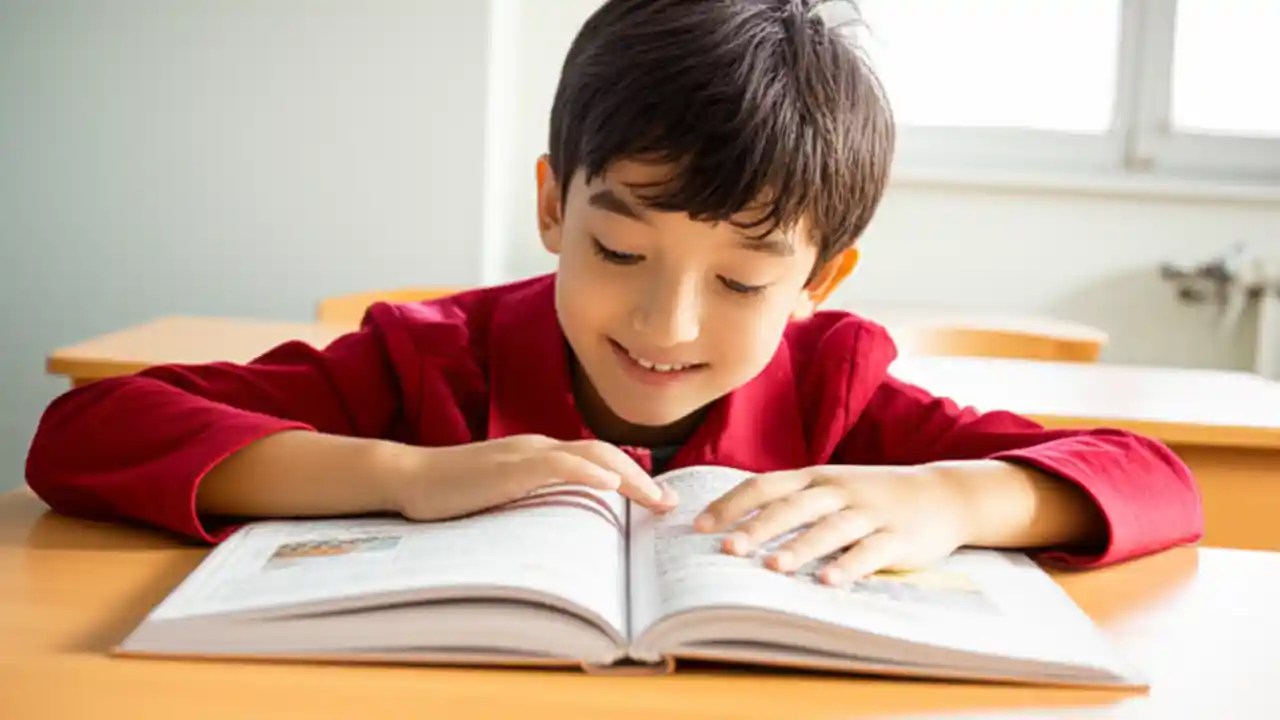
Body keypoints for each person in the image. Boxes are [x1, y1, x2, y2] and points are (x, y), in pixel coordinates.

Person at [25, 0, 1202, 585]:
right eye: (619, 251)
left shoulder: (838, 386)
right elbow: (88, 433)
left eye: (742, 279)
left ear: (819, 280)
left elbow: (1151, 478)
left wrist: (948, 502)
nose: (664, 324)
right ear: (552, 206)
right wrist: (406, 475)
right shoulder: (430, 360)